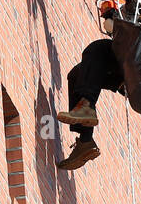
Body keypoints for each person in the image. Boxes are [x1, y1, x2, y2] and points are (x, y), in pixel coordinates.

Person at [53, 39, 124, 170]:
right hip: (129, 67)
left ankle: (86, 106)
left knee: (98, 48)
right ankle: (85, 141)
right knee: (77, 75)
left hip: (139, 65)